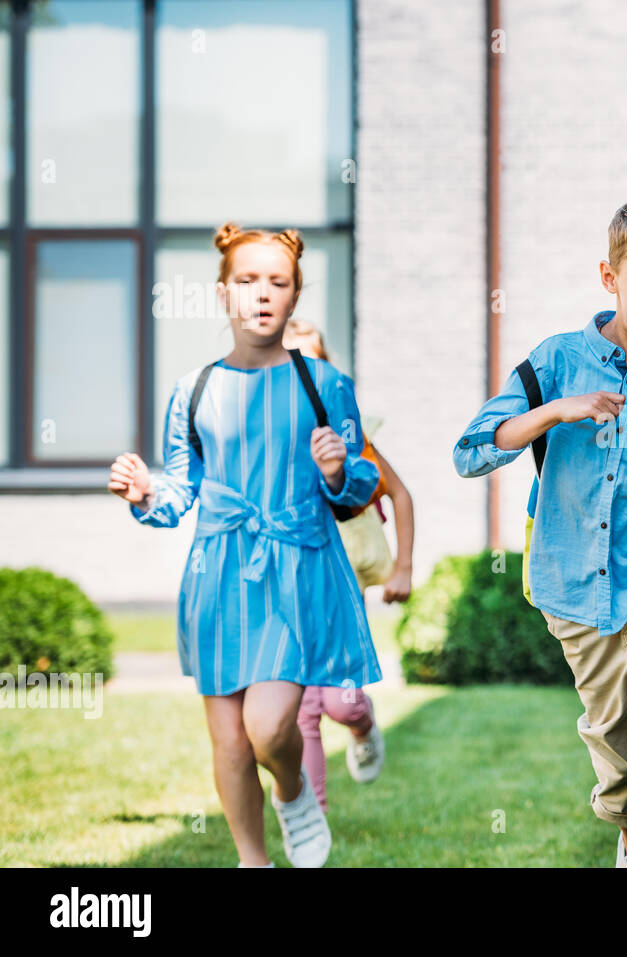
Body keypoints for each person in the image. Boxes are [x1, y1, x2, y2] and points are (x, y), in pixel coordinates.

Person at [453, 188, 627, 868]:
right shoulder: (553, 363)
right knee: (617, 746)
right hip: (574, 586)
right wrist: (555, 412)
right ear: (611, 279)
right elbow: (472, 450)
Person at [108, 223, 382, 867]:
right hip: (219, 573)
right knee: (230, 741)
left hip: (296, 570)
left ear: (294, 297)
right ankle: (252, 861)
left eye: (277, 283)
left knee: (267, 728)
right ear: (223, 293)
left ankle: (292, 791)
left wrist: (339, 471)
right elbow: (181, 491)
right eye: (247, 281)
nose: (262, 294)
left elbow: (360, 484)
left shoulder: (324, 385)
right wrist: (147, 490)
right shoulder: (194, 389)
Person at [282, 319, 416, 811]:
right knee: (305, 709)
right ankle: (312, 821)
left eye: (309, 363)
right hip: (290, 585)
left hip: (341, 586)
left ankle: (363, 723)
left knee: (340, 701)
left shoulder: (350, 439)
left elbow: (399, 493)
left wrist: (402, 568)